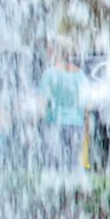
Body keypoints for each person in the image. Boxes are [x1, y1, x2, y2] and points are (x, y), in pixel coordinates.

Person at [39, 39, 85, 171]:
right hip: (77, 124)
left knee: (52, 165)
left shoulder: (49, 74)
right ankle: (72, 190)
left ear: (56, 52)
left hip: (54, 123)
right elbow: (86, 104)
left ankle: (53, 189)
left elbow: (42, 103)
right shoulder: (80, 75)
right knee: (73, 164)